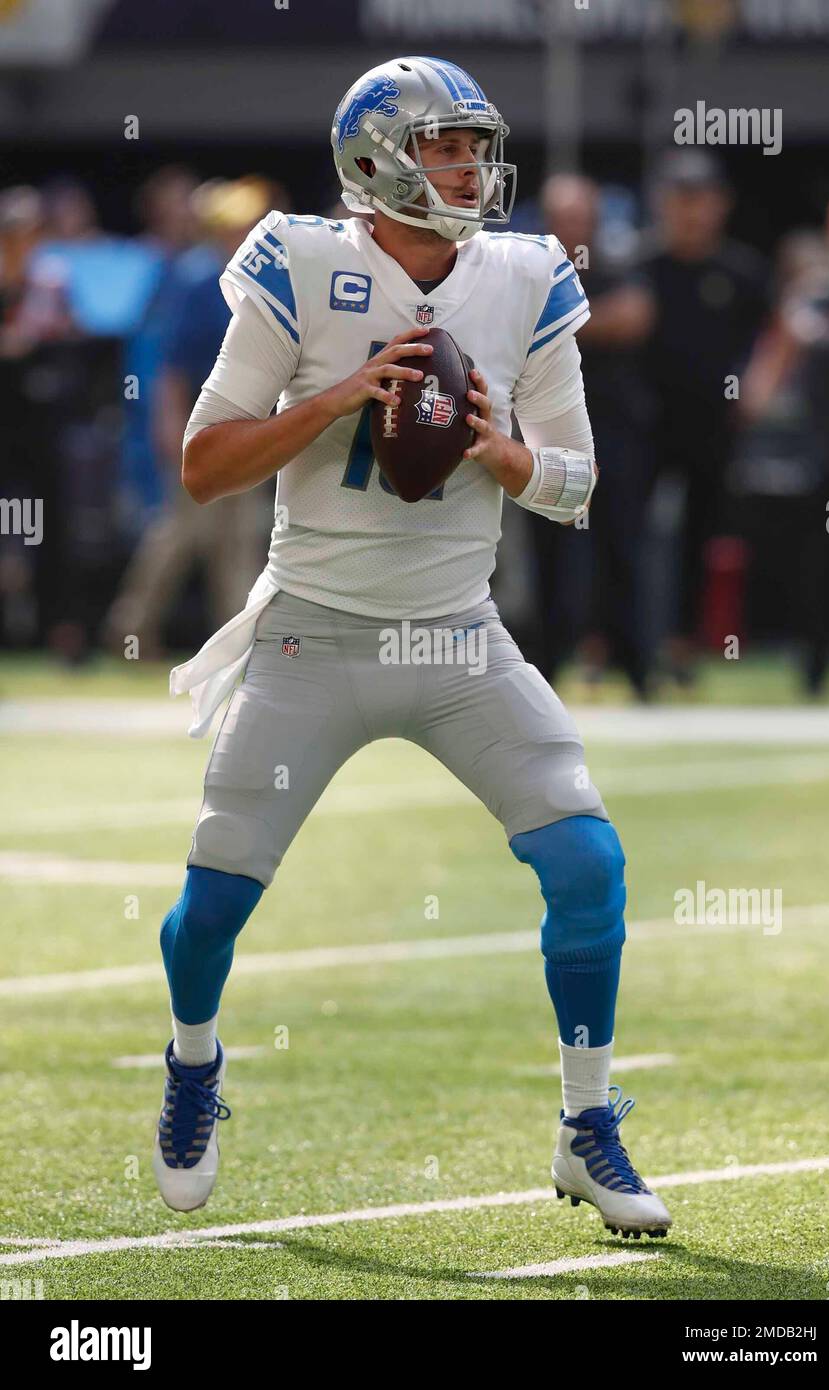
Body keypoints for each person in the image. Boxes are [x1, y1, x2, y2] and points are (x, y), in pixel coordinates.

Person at [153, 56, 671, 1242]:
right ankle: (192, 1065)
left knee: (590, 864)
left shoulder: (527, 274)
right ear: (378, 159)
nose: (473, 169)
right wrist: (334, 399)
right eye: (447, 146)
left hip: (458, 635)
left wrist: (504, 455)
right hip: (309, 636)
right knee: (214, 900)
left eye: (479, 148)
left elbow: (579, 482)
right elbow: (203, 464)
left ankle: (585, 1125)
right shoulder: (301, 262)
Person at [103, 178, 277, 655]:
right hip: (201, 424)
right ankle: (130, 629)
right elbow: (172, 365)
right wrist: (171, 425)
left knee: (239, 538)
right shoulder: (197, 278)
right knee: (181, 534)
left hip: (246, 425)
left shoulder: (253, 280)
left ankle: (236, 639)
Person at [639, 152, 769, 682]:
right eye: (680, 200)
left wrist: (757, 388)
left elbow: (773, 334)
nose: (691, 213)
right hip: (643, 426)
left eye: (701, 200)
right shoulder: (641, 267)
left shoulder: (741, 272)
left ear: (721, 205)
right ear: (662, 205)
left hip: (714, 427)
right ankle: (611, 646)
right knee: (626, 534)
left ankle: (682, 649)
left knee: (701, 540)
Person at [528, 173, 655, 696]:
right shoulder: (528, 270)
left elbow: (635, 319)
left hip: (615, 431)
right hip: (546, 430)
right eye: (563, 217)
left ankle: (638, 670)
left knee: (622, 550)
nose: (573, 227)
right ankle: (548, 665)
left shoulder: (620, 264)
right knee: (550, 555)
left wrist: (560, 324)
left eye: (582, 217)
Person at [741, 184, 829, 694]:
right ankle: (816, 669)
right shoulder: (812, 295)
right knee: (822, 566)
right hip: (827, 457)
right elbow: (768, 371)